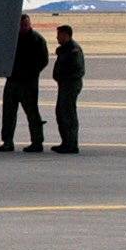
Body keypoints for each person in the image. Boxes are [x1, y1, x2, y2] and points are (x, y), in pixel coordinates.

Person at [0, 13, 48, 153]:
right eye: (21, 25)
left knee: (32, 113)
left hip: (28, 83)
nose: (24, 27)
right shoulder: (11, 39)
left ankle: (37, 142)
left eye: (26, 25)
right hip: (12, 81)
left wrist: (31, 73)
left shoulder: (37, 40)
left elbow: (43, 60)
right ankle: (7, 141)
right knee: (8, 113)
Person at [52, 24, 86, 154]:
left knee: (68, 113)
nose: (57, 38)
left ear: (66, 34)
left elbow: (77, 68)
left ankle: (71, 144)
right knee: (61, 113)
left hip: (70, 85)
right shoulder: (65, 49)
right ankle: (66, 142)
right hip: (64, 85)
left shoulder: (73, 50)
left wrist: (63, 75)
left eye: (59, 35)